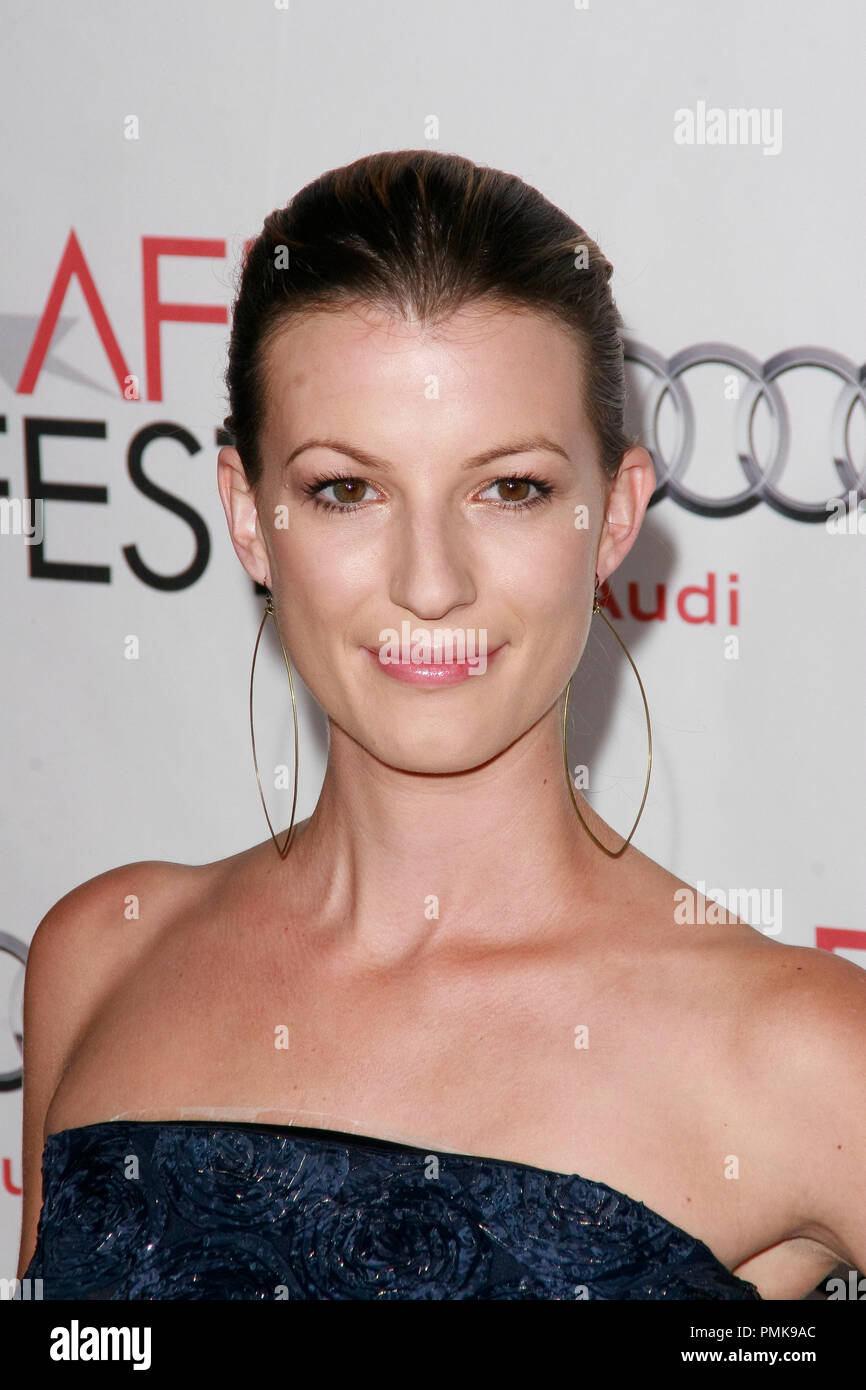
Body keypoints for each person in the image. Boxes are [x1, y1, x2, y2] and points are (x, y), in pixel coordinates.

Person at [17, 150, 866, 1300]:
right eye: (344, 490)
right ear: (249, 518)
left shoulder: (805, 1053)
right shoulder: (101, 956)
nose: (429, 583)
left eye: (506, 487)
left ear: (611, 516)